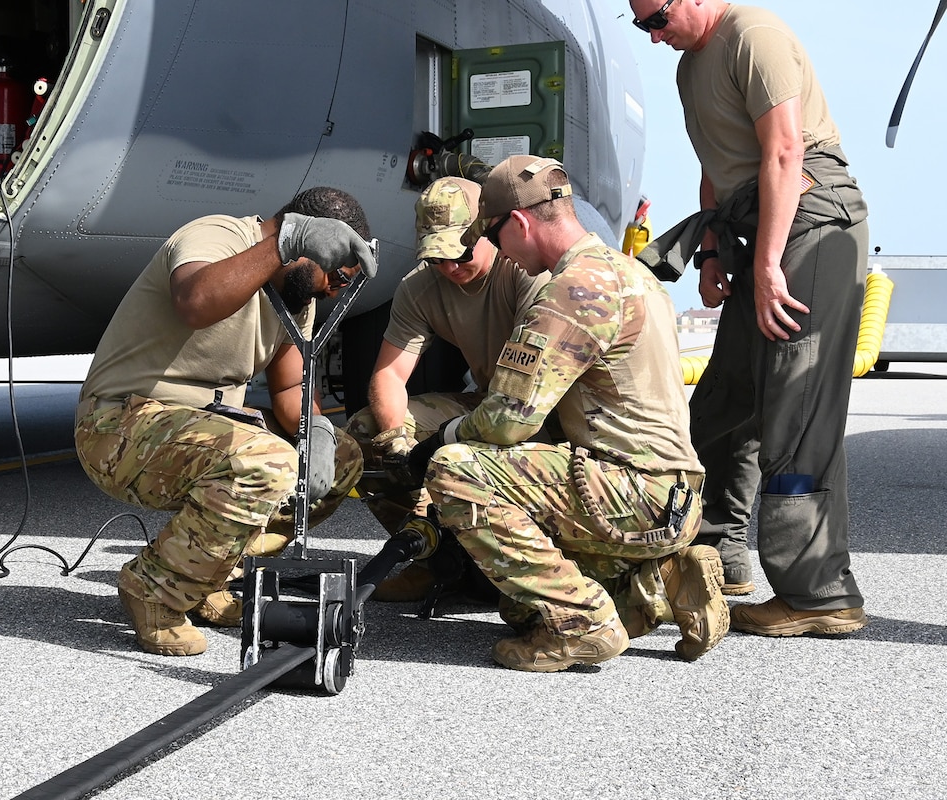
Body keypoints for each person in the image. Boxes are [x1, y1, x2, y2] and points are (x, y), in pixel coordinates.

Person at [405, 155, 727, 672]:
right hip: (670, 493)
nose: (492, 251)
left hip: (630, 489)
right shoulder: (629, 274)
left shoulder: (570, 291)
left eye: (490, 234)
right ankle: (656, 582)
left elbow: (507, 422)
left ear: (520, 222)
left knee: (456, 469)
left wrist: (440, 435)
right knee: (517, 606)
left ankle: (584, 624)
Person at [630, 0, 869, 636]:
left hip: (808, 223)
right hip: (750, 223)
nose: (655, 38)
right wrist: (711, 251)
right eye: (641, 27)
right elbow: (716, 165)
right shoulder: (689, 65)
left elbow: (785, 154)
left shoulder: (753, 35)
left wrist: (767, 269)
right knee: (725, 398)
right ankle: (716, 558)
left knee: (796, 406)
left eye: (658, 19)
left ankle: (818, 594)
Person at [74, 187, 376, 656]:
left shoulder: (297, 292)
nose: (331, 290)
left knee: (343, 454)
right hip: (120, 424)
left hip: (201, 431)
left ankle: (207, 575)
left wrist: (316, 433)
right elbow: (194, 302)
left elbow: (289, 388)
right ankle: (154, 589)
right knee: (266, 461)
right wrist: (283, 243)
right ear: (303, 241)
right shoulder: (217, 236)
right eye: (334, 274)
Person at [345, 176, 552, 601]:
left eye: (460, 251)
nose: (449, 267)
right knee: (367, 432)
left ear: (487, 232)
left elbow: (528, 399)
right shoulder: (420, 288)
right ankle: (435, 562)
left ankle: (537, 565)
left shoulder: (527, 274)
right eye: (437, 256)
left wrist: (449, 451)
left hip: (544, 414)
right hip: (489, 404)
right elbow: (388, 377)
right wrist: (400, 447)